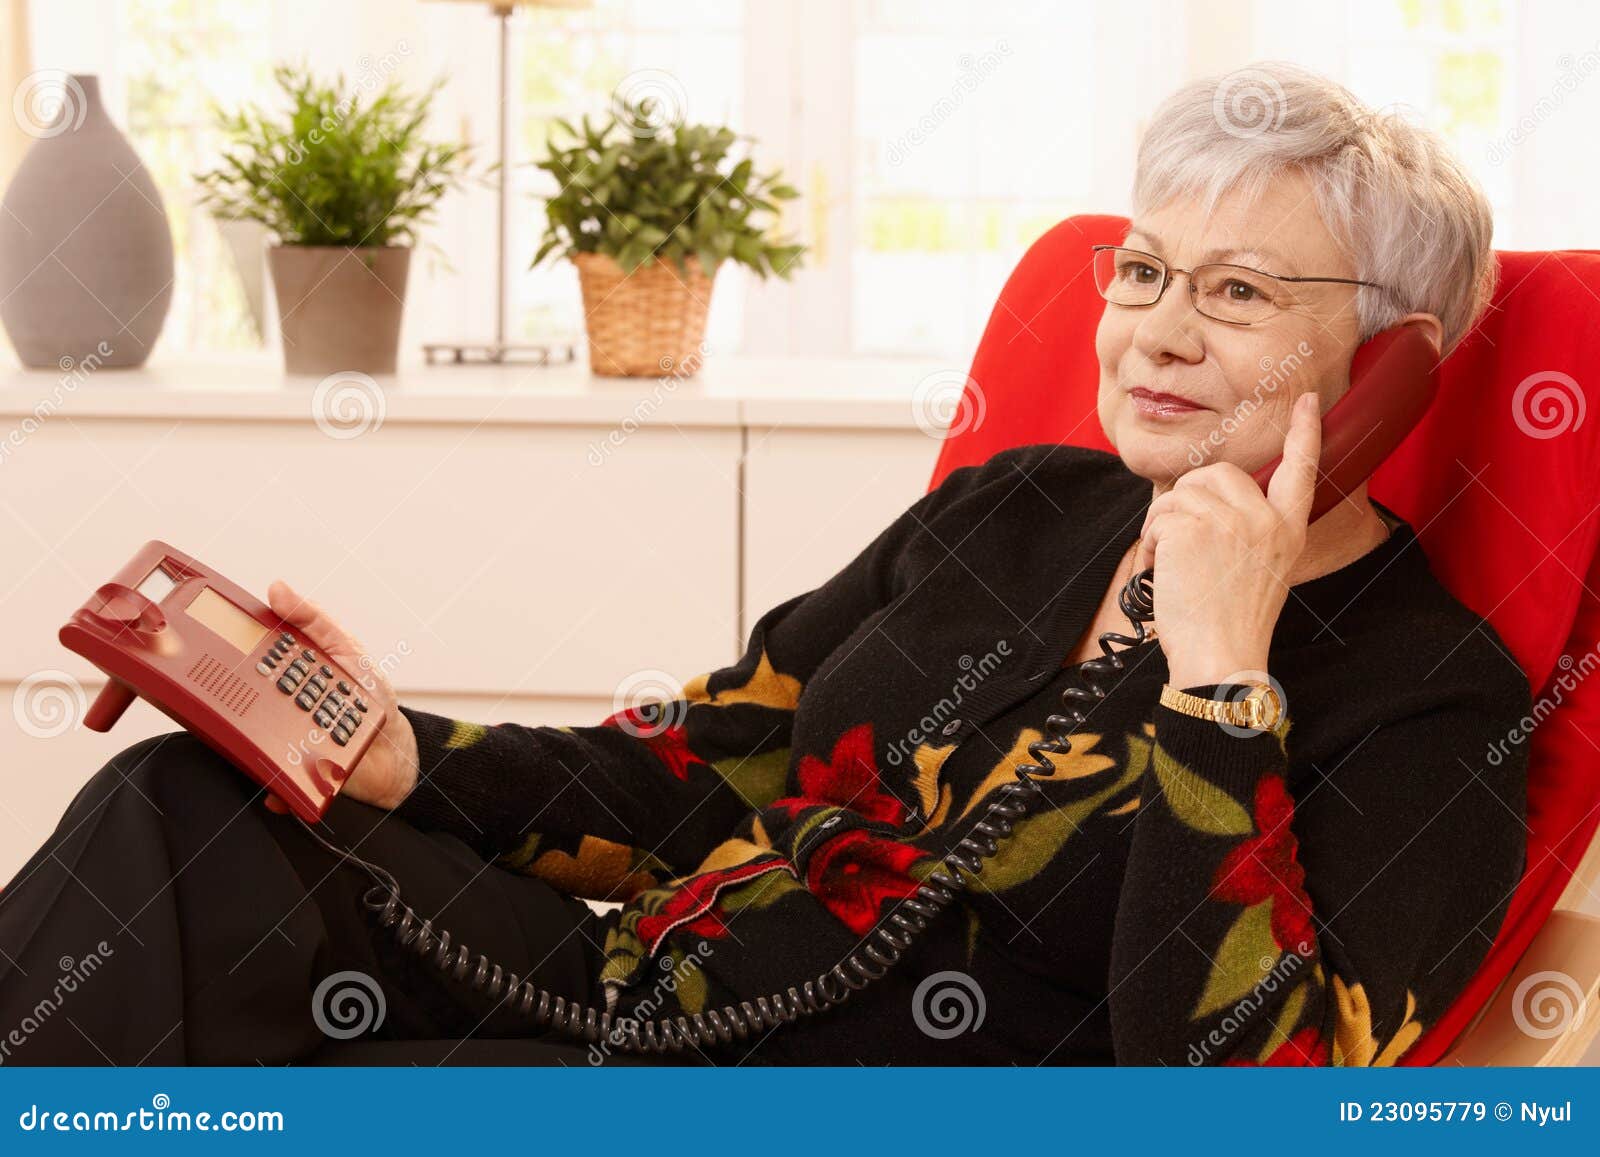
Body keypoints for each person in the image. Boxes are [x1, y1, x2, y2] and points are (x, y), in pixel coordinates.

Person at [0, 60, 1529, 1066]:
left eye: (1239, 288)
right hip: (643, 1003)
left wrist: (1217, 680)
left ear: (1390, 364)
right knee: (189, 809)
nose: (1156, 330)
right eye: (1141, 270)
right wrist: (410, 753)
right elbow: (717, 760)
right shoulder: (1016, 509)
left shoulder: (1432, 694)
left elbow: (1261, 1096)